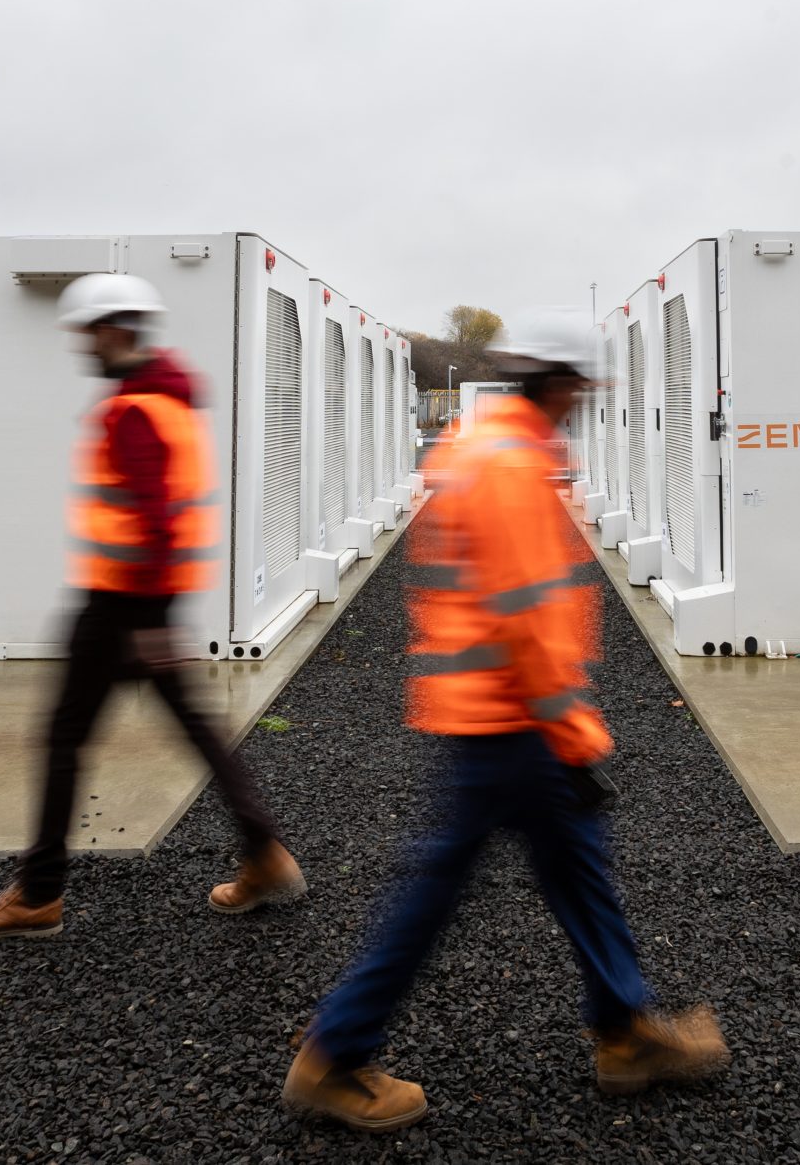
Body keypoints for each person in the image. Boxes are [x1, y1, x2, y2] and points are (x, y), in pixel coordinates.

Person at [281, 310, 727, 1131]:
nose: (584, 398)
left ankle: (624, 1025)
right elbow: (526, 617)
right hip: (514, 715)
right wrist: (571, 729)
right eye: (582, 385)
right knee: (446, 883)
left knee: (568, 869)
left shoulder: (479, 445)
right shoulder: (515, 465)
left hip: (486, 707)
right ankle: (336, 1053)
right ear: (560, 383)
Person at [0, 273, 305, 940]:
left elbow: (157, 516)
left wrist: (143, 617)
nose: (81, 344)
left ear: (112, 328)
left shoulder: (135, 410)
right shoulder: (171, 399)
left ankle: (38, 894)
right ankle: (263, 851)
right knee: (193, 726)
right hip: (146, 600)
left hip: (120, 603)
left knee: (64, 737)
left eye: (86, 332)